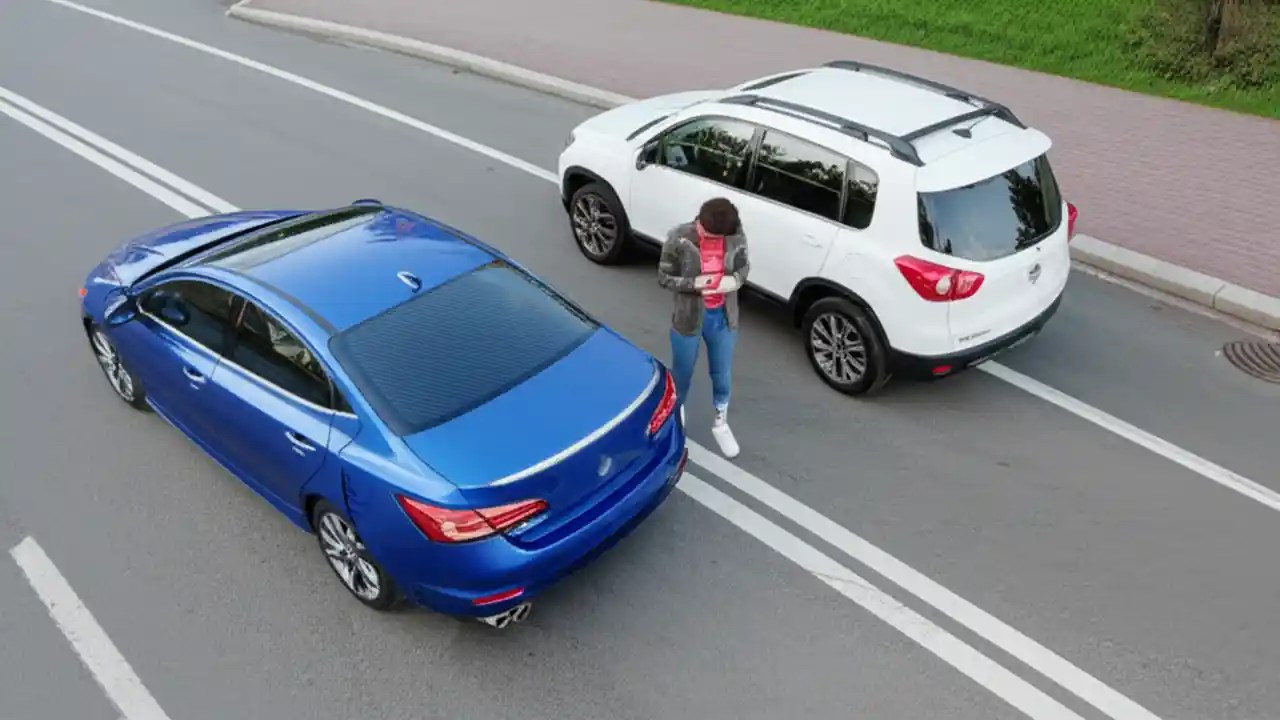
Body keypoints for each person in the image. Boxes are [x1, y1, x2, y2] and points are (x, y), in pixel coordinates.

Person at [657, 197, 749, 458]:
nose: (713, 239)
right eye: (709, 235)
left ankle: (721, 422)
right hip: (688, 318)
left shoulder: (735, 237)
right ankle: (676, 416)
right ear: (700, 223)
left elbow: (744, 268)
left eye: (718, 237)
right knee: (682, 374)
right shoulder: (679, 238)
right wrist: (695, 283)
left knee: (721, 374)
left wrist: (733, 281)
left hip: (723, 318)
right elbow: (663, 277)